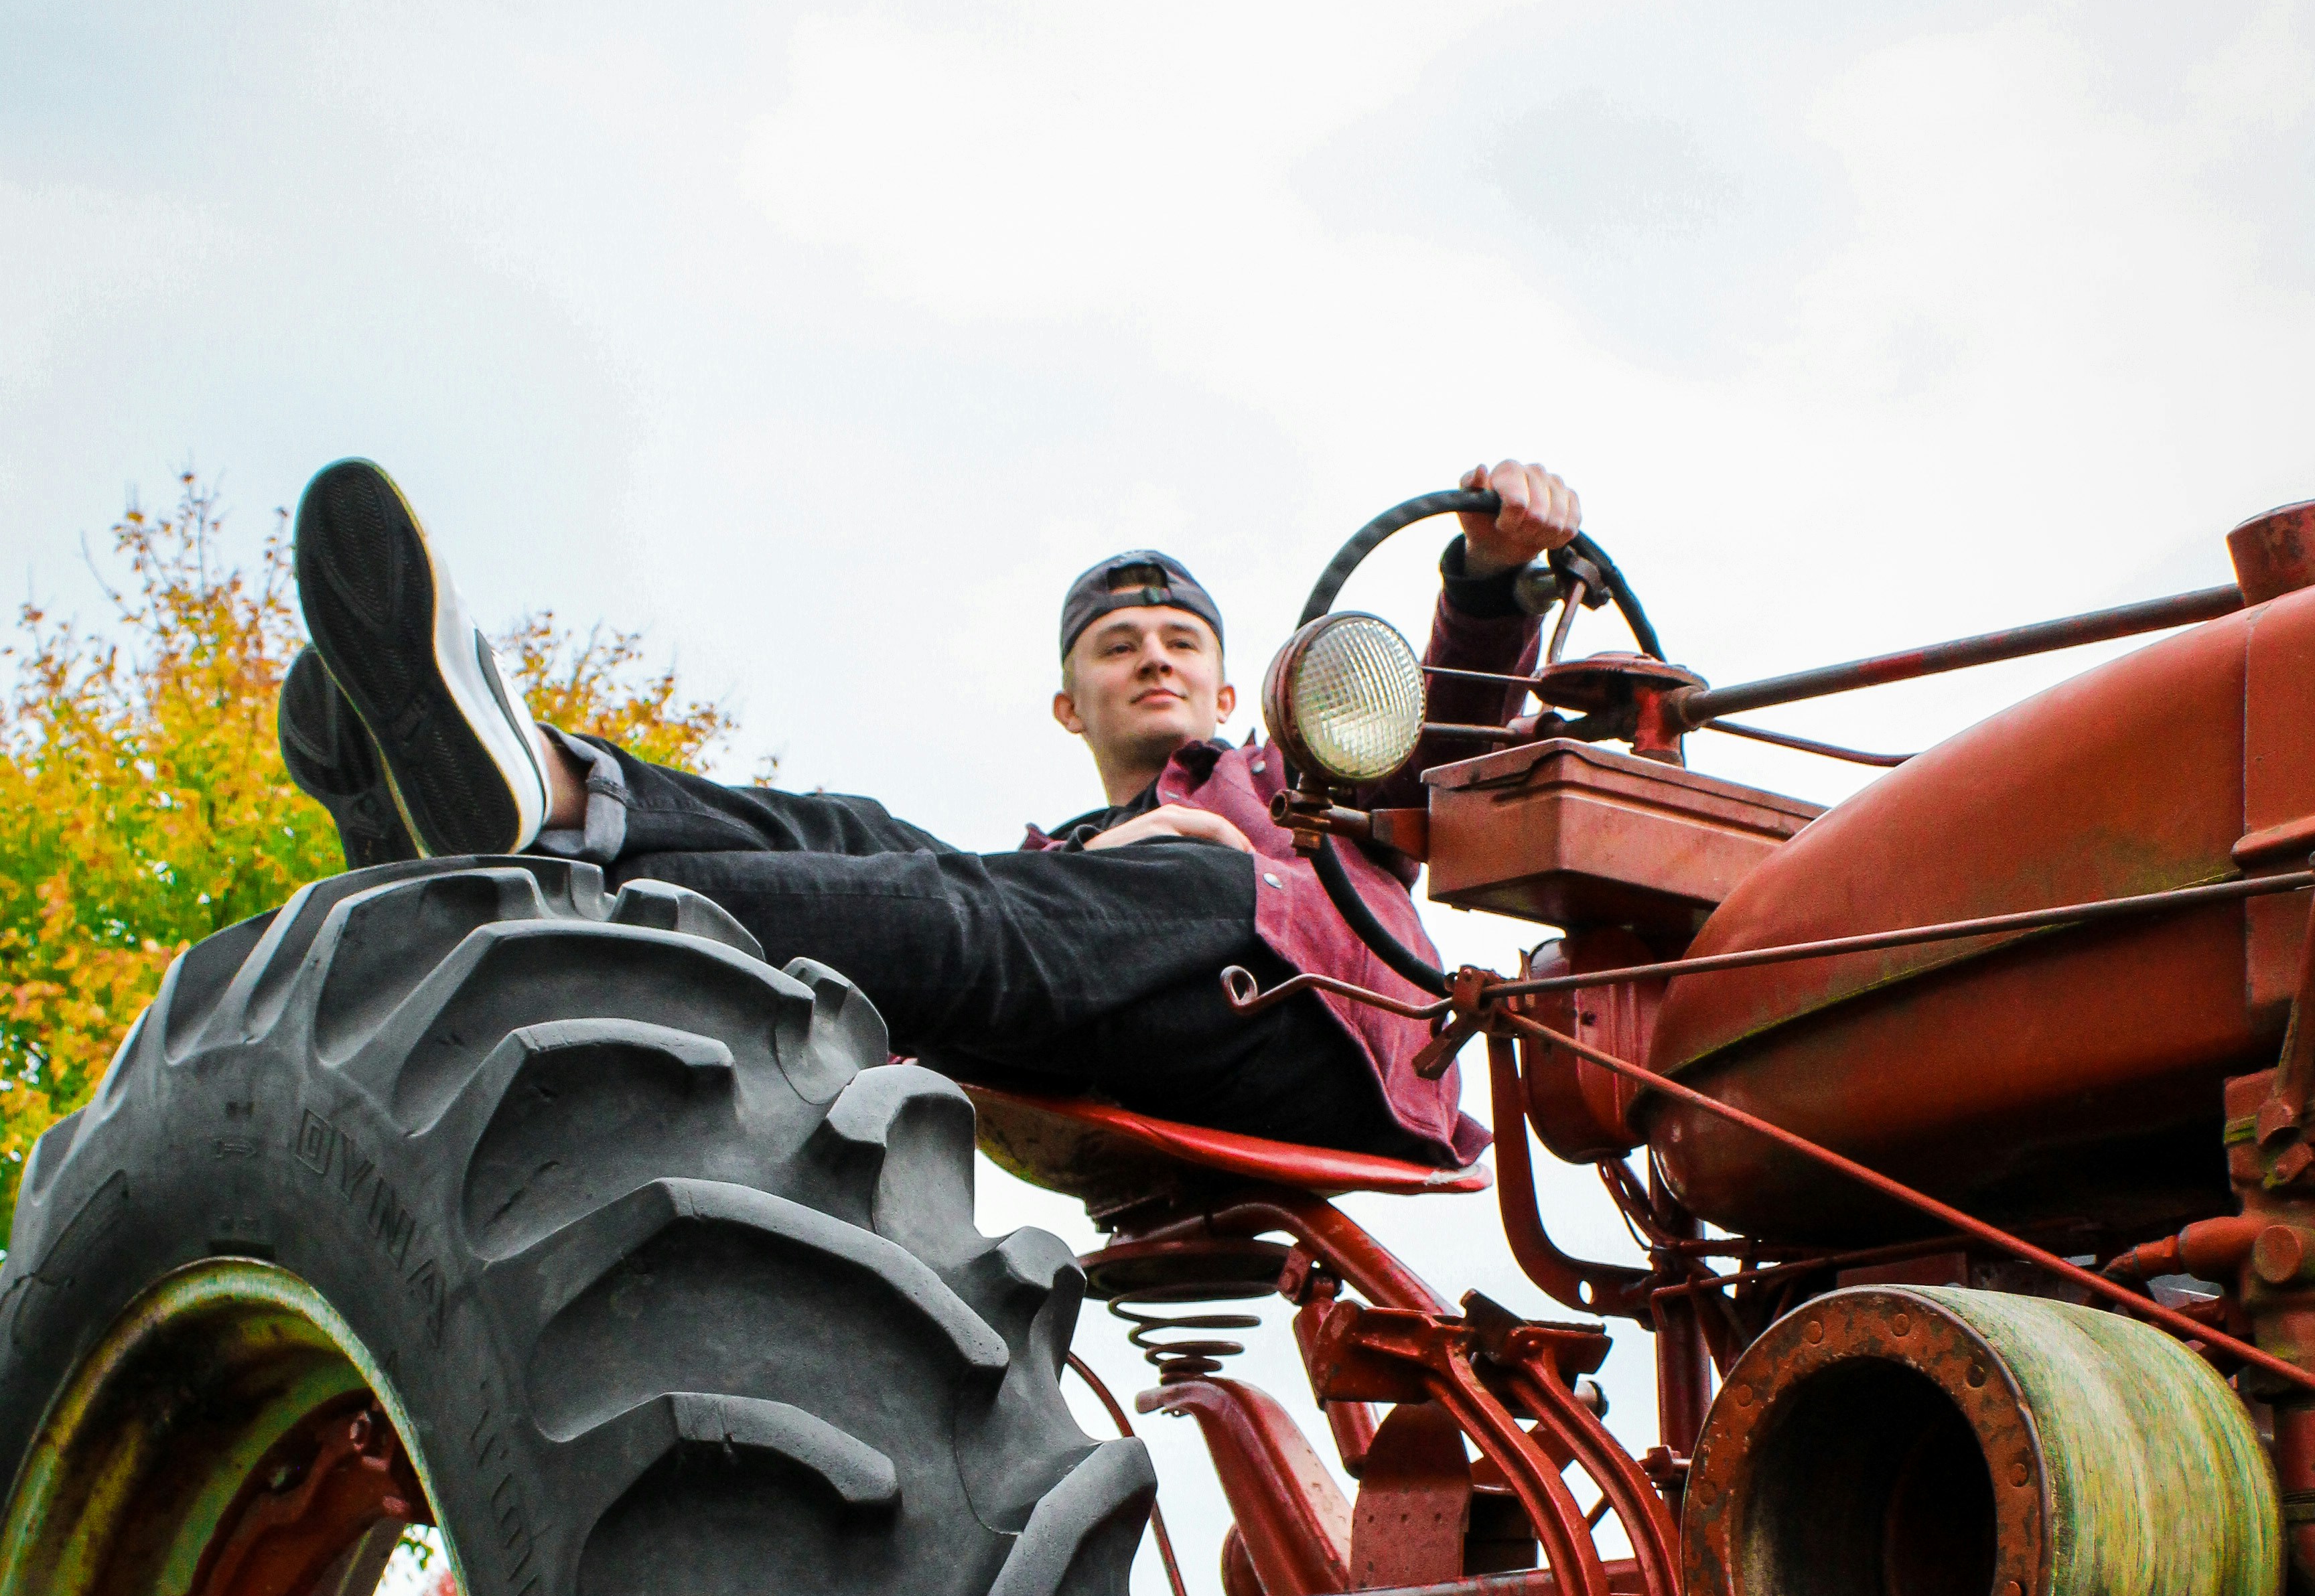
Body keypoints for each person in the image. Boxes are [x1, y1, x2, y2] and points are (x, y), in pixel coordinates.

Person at [276, 453, 1578, 1163]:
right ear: (1068, 707)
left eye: (1180, 639)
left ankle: (538, 904)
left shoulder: (1297, 795)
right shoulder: (1064, 870)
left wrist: (1491, 581)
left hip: (1320, 1038)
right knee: (874, 846)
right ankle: (541, 795)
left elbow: (1445, 736)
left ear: (1232, 685)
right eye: (1117, 645)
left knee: (1136, 883)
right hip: (1122, 1006)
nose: (1154, 658)